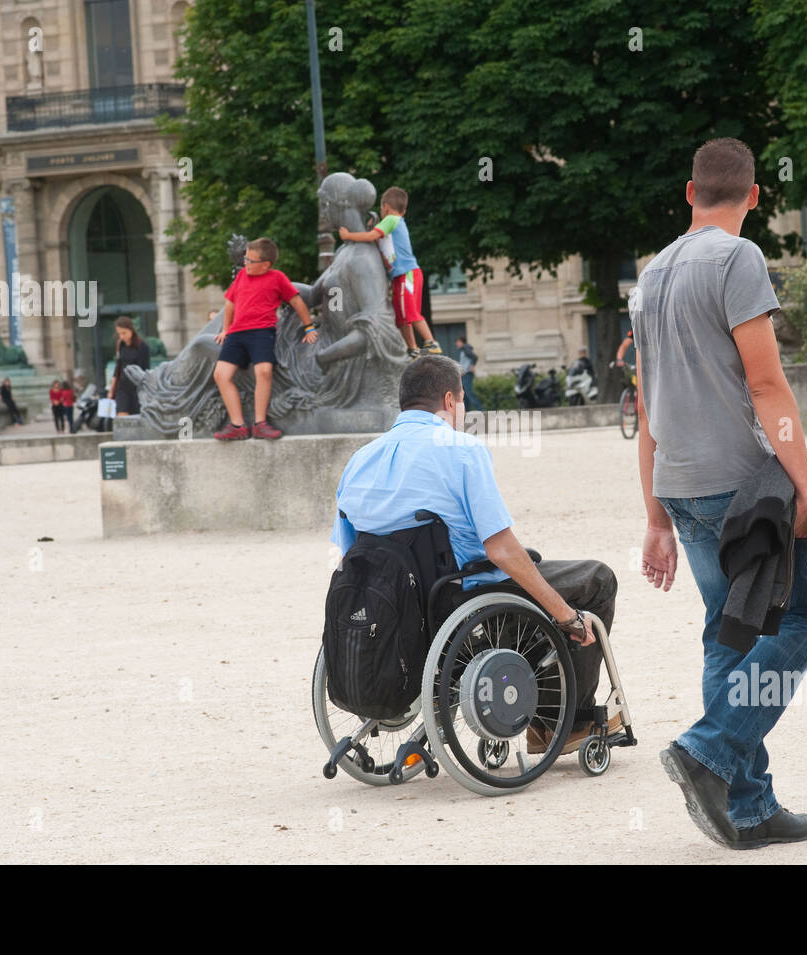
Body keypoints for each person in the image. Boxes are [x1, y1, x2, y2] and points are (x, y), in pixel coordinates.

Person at [635, 137, 807, 850]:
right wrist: (803, 480)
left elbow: (647, 407)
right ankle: (709, 750)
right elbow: (767, 383)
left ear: (690, 193)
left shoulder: (650, 275)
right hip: (736, 489)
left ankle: (747, 805)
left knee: (730, 630)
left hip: (678, 486)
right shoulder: (739, 259)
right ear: (753, 196)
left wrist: (654, 514)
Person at [331, 355, 620, 753]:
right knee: (595, 580)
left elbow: (351, 555)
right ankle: (566, 724)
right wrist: (565, 615)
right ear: (450, 401)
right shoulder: (462, 450)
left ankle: (547, 708)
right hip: (461, 599)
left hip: (395, 608)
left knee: (529, 588)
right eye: (462, 402)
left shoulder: (359, 460)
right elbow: (501, 550)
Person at [213, 237, 317, 440]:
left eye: (250, 261)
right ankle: (237, 425)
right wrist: (225, 329)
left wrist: (309, 327)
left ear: (265, 265)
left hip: (261, 331)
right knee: (221, 374)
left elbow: (296, 301)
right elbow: (229, 303)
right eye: (245, 259)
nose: (245, 263)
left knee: (264, 371)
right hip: (236, 333)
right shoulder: (242, 275)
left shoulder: (277, 278)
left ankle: (260, 423)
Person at [337, 186, 443, 360]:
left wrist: (349, 235)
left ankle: (431, 342)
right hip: (400, 276)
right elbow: (379, 241)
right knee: (401, 317)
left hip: (406, 273)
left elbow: (371, 237)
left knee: (410, 312)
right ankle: (413, 349)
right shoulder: (393, 224)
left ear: (385, 206)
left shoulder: (392, 219)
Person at [107, 317, 150, 417]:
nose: (121, 336)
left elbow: (145, 370)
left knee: (135, 421)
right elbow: (118, 368)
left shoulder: (143, 347)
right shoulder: (120, 345)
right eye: (119, 333)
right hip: (122, 387)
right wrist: (111, 390)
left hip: (136, 388)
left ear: (131, 330)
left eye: (124, 333)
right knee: (122, 419)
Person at [455, 335, 483, 412]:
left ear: (461, 342)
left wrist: (472, 366)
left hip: (467, 374)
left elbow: (474, 357)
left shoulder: (465, 349)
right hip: (464, 375)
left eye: (457, 342)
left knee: (468, 393)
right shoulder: (463, 349)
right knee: (465, 394)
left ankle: (480, 409)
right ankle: (467, 410)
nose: (456, 344)